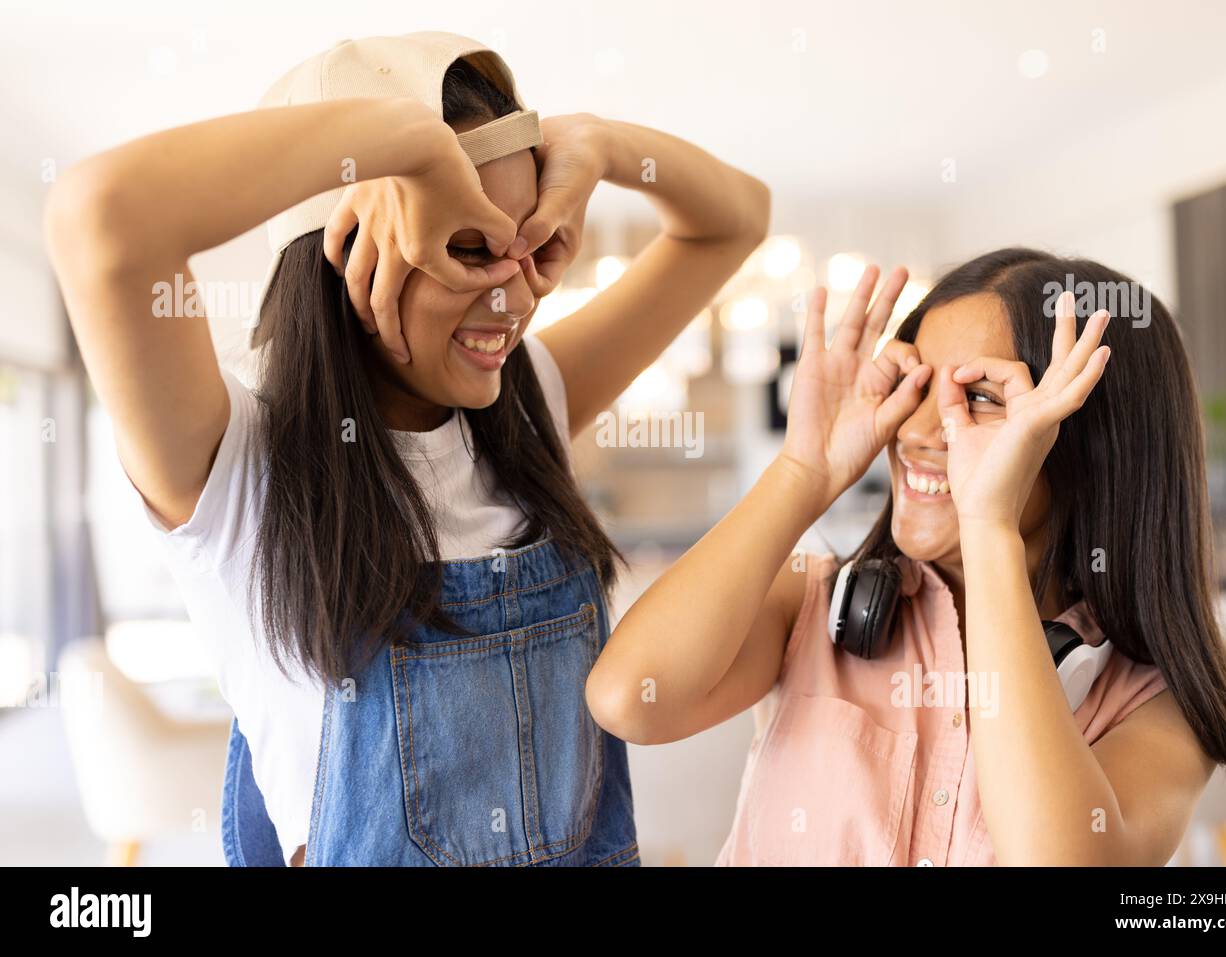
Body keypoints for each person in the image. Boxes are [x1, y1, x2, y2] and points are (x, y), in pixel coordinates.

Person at [44, 31, 770, 866]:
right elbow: (98, 218)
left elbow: (736, 220)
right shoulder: (236, 463)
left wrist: (602, 145)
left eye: (530, 248)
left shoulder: (529, 398)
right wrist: (402, 146)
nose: (514, 295)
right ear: (349, 248)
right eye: (469, 247)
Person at [587, 248, 1226, 865]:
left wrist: (989, 524)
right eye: (917, 384)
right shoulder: (811, 603)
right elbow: (628, 699)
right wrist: (802, 472)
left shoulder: (1158, 708)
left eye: (981, 397)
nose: (916, 428)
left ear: (1092, 440)